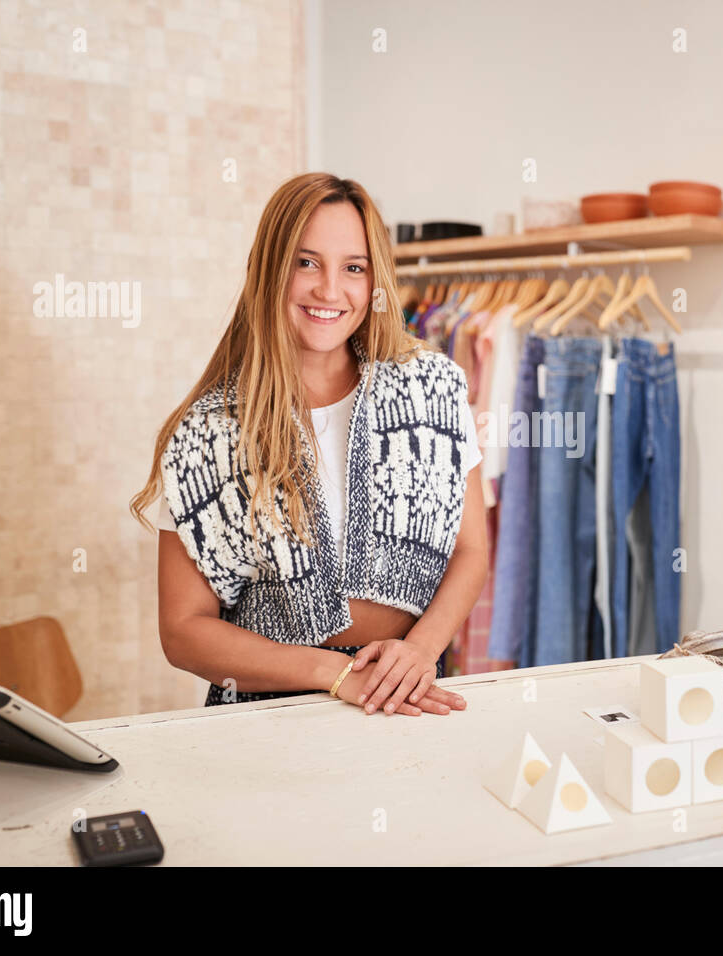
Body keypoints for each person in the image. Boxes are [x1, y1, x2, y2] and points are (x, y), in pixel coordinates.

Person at [130, 172, 484, 717]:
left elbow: (470, 550)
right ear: (270, 270)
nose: (329, 290)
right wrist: (333, 674)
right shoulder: (208, 432)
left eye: (353, 268)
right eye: (306, 262)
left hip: (404, 691)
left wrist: (421, 649)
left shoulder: (433, 389)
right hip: (264, 711)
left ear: (375, 281)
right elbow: (182, 631)